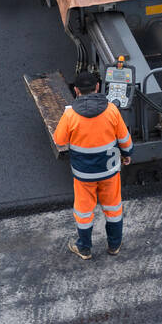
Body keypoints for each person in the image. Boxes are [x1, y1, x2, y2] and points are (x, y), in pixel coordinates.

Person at [52, 70, 133, 260]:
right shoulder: (112, 110)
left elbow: (59, 140)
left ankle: (85, 249)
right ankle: (114, 245)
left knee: (84, 211)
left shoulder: (71, 115)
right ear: (97, 87)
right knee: (113, 208)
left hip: (84, 174)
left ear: (76, 90)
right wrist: (127, 154)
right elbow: (124, 139)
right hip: (110, 171)